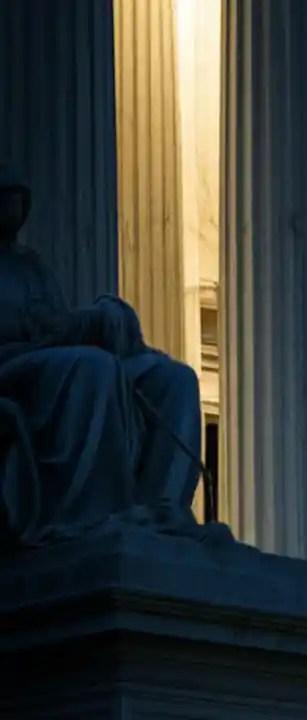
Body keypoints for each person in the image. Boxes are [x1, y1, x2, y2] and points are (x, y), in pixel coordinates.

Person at [0, 164, 202, 545]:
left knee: (173, 378)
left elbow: (54, 324)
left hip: (45, 363)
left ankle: (161, 509)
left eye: (17, 203)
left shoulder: (31, 266)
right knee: (92, 367)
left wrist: (102, 320)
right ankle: (93, 512)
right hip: (10, 369)